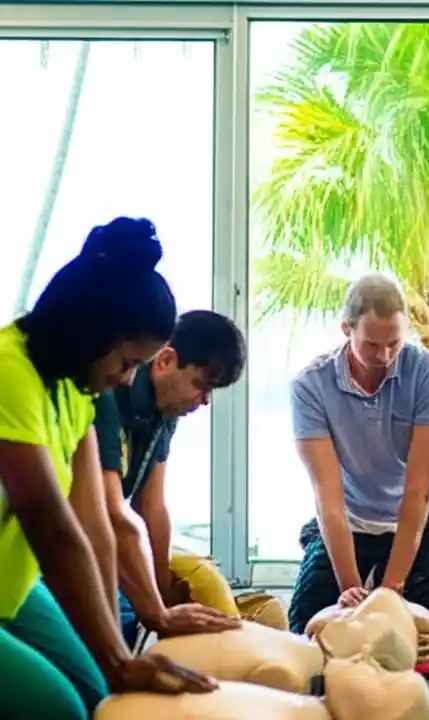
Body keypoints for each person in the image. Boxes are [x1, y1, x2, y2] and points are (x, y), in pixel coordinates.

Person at [0, 217, 217, 718]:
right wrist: (119, 659)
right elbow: (51, 526)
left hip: (13, 587)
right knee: (61, 709)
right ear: (91, 334)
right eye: (127, 361)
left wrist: (114, 654)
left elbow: (94, 526)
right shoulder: (11, 374)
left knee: (100, 694)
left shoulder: (76, 392)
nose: (127, 378)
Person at [286, 274, 429, 655]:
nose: (385, 357)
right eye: (372, 344)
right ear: (346, 329)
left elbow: (418, 491)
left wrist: (391, 592)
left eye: (394, 343)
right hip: (348, 517)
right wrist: (350, 591)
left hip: (420, 513)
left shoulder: (428, 373)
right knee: (306, 623)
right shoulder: (309, 385)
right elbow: (328, 496)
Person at [94, 309, 247, 648]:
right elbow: (110, 514)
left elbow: (153, 507)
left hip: (111, 533)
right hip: (85, 536)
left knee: (207, 586)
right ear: (165, 361)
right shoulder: (107, 392)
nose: (204, 401)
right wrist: (157, 611)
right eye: (201, 385)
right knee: (120, 614)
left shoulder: (166, 410)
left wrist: (161, 591)